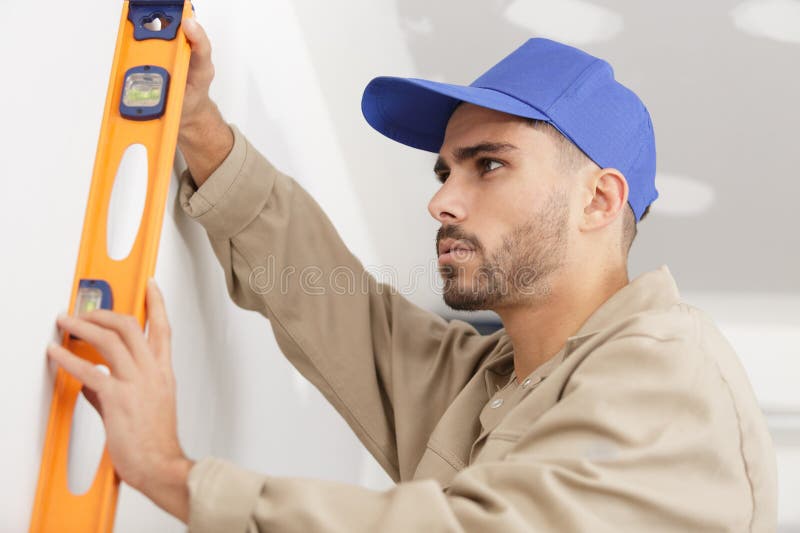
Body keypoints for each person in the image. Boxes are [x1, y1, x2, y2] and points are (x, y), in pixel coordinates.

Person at [48, 16, 777, 532]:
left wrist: (172, 474)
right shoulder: (498, 381)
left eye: (489, 164)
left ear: (598, 200)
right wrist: (199, 124)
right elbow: (338, 305)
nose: (442, 199)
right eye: (444, 169)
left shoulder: (667, 370)